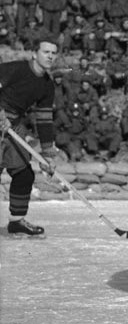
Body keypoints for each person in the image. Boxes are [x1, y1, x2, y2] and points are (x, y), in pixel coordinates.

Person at [0, 39, 59, 237]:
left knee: (24, 173)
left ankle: (16, 222)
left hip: (13, 125)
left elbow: (44, 120)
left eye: (53, 53)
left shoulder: (47, 85)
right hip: (1, 117)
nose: (50, 56)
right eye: (46, 52)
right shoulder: (16, 69)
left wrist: (48, 155)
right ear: (35, 54)